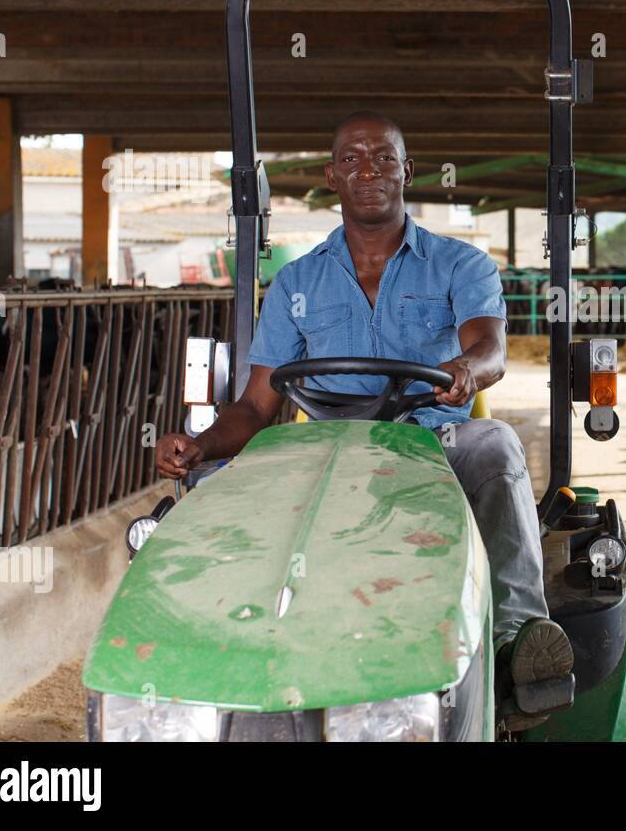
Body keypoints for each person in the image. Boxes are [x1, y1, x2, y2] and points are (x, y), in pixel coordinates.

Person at [154, 111, 572, 729]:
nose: (367, 168)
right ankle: (213, 656)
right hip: (323, 450)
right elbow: (256, 407)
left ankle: (515, 644)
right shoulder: (296, 281)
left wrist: (466, 371)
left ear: (407, 170)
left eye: (382, 156)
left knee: (497, 446)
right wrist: (199, 444)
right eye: (351, 158)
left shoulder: (460, 264)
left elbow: (490, 349)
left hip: (432, 440)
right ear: (331, 176)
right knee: (215, 493)